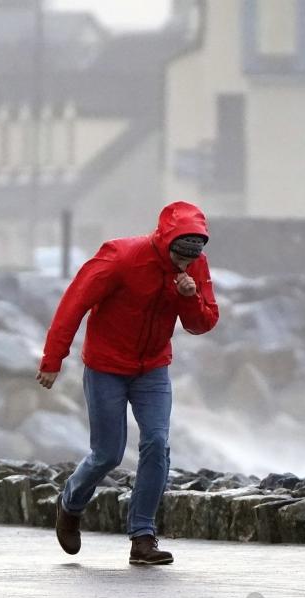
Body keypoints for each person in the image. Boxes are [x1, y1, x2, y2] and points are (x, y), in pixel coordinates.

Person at [36, 201, 219, 565]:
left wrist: (190, 297)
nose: (184, 264)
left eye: (191, 257)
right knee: (108, 453)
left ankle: (142, 537)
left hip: (152, 368)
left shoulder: (194, 266)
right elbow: (74, 303)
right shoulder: (121, 257)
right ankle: (70, 503)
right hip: (106, 366)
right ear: (166, 241)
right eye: (179, 256)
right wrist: (53, 358)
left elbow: (202, 323)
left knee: (157, 442)